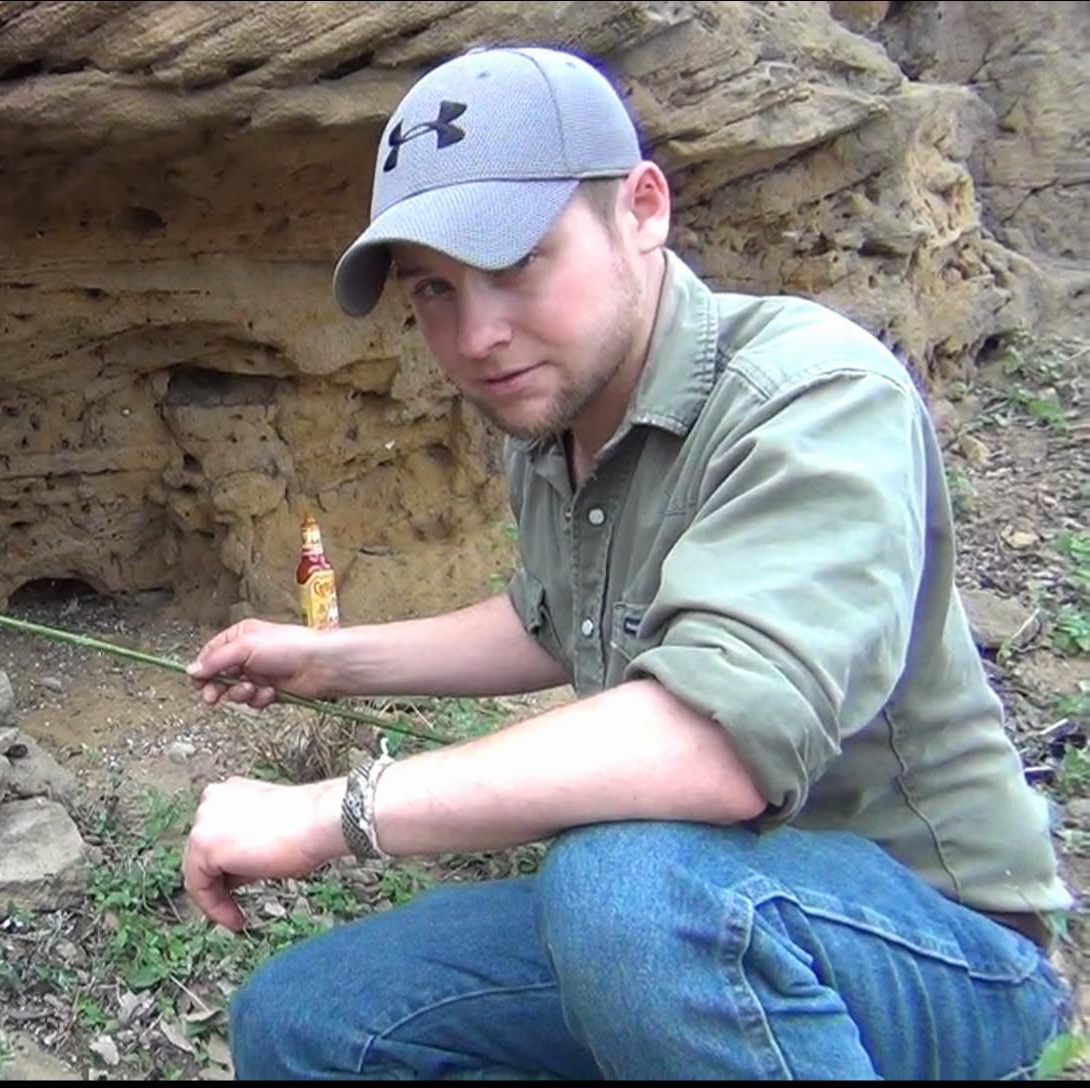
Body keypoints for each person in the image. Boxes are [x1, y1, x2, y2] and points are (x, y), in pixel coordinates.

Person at [179, 44, 1075, 1080]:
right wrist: (327, 660)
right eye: (432, 289)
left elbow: (709, 745)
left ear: (641, 208)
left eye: (516, 262)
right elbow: (551, 621)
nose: (475, 334)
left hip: (932, 942)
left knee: (623, 885)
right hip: (696, 906)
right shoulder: (555, 414)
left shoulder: (812, 395)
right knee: (304, 1019)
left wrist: (333, 810)